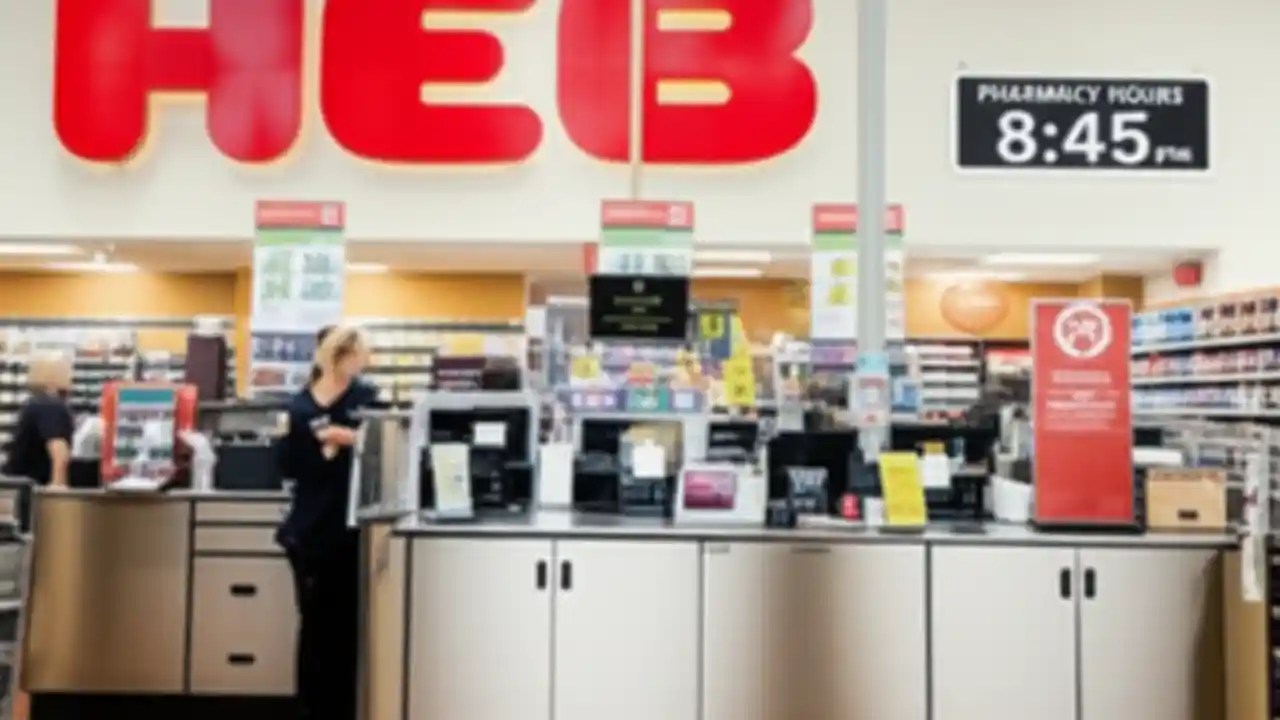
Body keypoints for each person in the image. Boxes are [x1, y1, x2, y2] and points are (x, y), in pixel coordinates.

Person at [276, 327, 376, 720]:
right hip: (310, 531)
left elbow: (385, 448)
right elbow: (287, 464)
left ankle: (346, 705)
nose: (362, 361)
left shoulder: (366, 399)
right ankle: (314, 706)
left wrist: (350, 439)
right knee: (315, 623)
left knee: (348, 625)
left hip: (352, 530)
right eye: (356, 353)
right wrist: (322, 449)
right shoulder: (298, 407)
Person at [2, 354, 75, 530]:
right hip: (30, 493)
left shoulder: (38, 404)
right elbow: (58, 447)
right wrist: (57, 487)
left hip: (22, 489)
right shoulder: (50, 405)